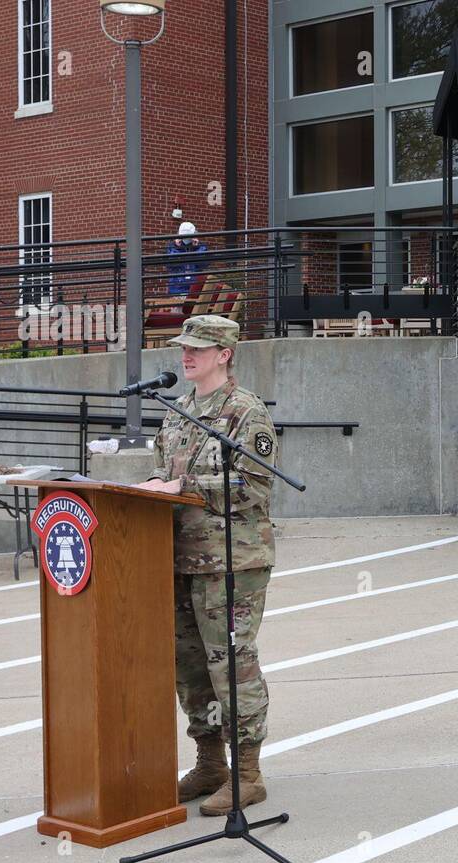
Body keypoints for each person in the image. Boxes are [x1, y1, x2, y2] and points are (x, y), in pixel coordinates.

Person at [138, 313, 279, 815]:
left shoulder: (245, 412)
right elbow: (161, 470)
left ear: (225, 354)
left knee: (231, 666)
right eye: (183, 347)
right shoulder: (177, 411)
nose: (186, 354)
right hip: (179, 558)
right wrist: (153, 489)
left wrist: (186, 488)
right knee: (191, 668)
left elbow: (255, 485)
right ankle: (210, 762)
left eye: (198, 347)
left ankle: (248, 773)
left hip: (231, 561)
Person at [166, 221, 208, 296]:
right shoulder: (171, 247)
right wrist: (177, 247)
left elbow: (204, 264)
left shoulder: (201, 247)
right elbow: (170, 264)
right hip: (176, 288)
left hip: (194, 288)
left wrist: (196, 248)